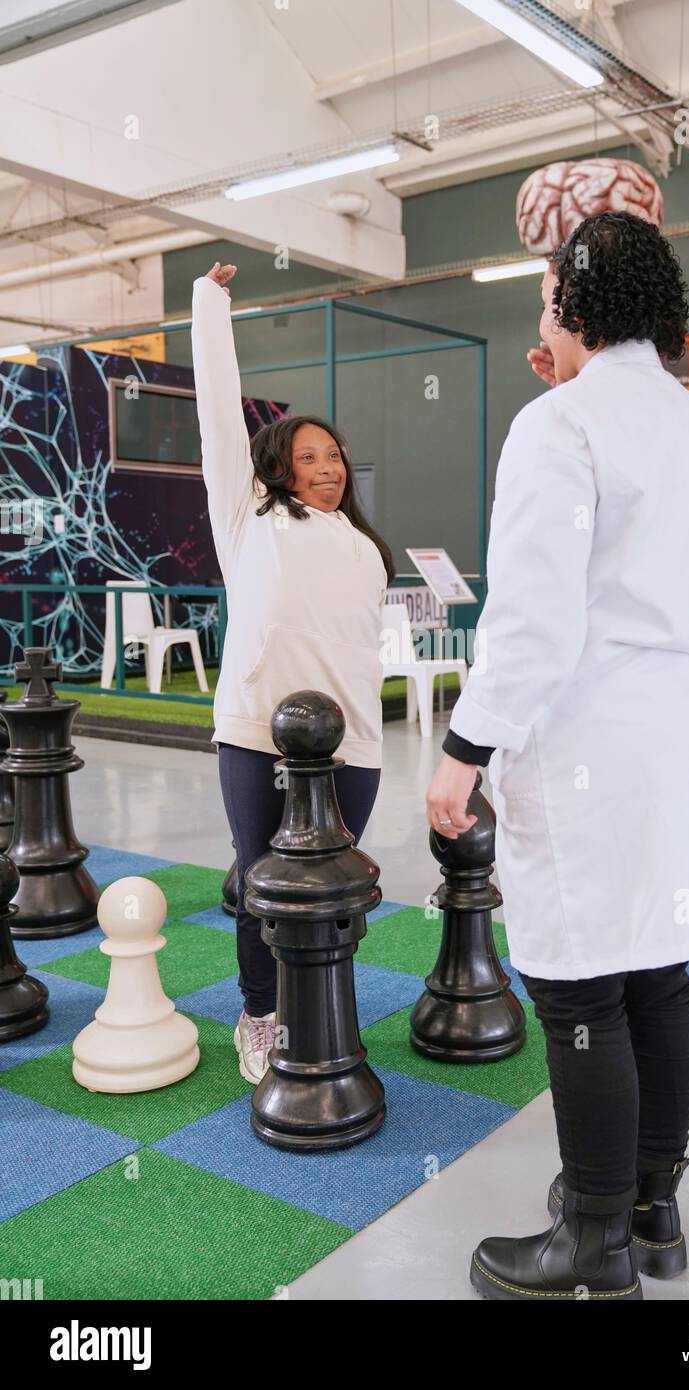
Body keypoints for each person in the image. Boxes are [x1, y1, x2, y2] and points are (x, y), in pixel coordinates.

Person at [426, 211, 689, 1301]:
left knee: (579, 991)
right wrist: (566, 371)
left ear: (572, 302)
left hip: (588, 729)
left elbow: (536, 619)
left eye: (546, 297)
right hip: (675, 729)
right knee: (658, 976)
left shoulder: (555, 425)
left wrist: (462, 750)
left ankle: (591, 1248)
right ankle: (651, 1214)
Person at [192, 262, 394, 1084]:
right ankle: (260, 1014)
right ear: (277, 465)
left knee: (330, 895)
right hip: (255, 733)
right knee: (259, 882)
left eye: (336, 455)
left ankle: (319, 1013)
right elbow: (215, 412)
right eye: (310, 456)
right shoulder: (249, 517)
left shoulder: (364, 546)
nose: (329, 465)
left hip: (354, 746)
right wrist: (211, 305)